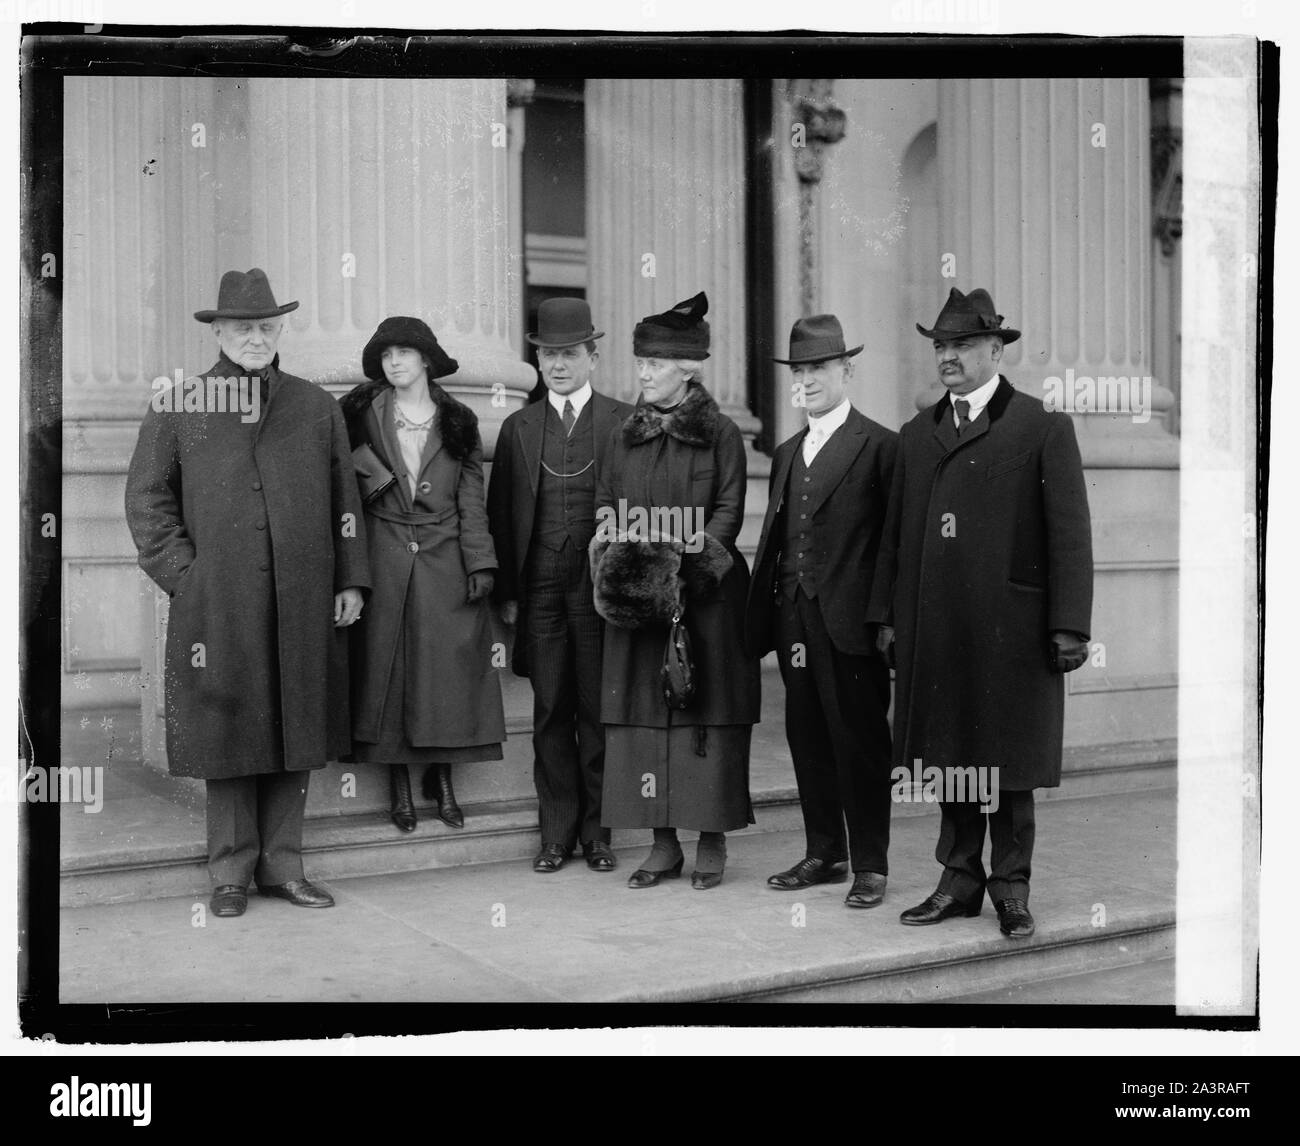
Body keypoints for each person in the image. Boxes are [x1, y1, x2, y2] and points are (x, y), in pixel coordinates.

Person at [125, 267, 369, 919]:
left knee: (297, 727)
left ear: (279, 328)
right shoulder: (179, 403)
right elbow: (147, 500)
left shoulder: (314, 406)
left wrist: (350, 577)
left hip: (303, 597)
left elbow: (346, 501)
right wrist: (188, 576)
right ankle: (230, 873)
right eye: (242, 327)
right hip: (220, 604)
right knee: (227, 731)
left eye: (265, 326)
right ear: (220, 332)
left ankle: (284, 866)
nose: (256, 337)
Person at [868, 287, 1094, 938]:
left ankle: (1011, 888)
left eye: (963, 345)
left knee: (1007, 762)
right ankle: (959, 879)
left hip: (1011, 630)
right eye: (940, 346)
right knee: (949, 754)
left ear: (997, 351)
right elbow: (894, 534)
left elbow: (1070, 535)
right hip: (935, 627)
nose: (948, 357)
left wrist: (1069, 625)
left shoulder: (1040, 426)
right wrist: (886, 615)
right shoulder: (918, 434)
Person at [591, 291, 760, 890]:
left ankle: (709, 841)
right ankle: (662, 846)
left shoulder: (721, 434)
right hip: (638, 600)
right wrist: (628, 565)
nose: (642, 375)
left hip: (705, 602)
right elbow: (606, 503)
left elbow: (729, 510)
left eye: (654, 365)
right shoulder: (622, 434)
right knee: (641, 721)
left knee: (703, 719)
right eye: (639, 364)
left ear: (687, 368)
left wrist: (687, 572)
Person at [745, 315, 898, 908]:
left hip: (851, 623)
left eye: (819, 368)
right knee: (805, 736)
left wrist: (885, 619)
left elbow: (892, 544)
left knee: (860, 742)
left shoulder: (881, 445)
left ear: (846, 370)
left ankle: (872, 865)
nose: (807, 379)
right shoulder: (786, 451)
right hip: (794, 620)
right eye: (799, 369)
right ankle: (825, 852)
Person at [340, 316, 506, 834]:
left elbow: (471, 498)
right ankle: (399, 786)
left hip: (445, 556)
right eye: (386, 355)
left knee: (446, 674)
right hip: (384, 555)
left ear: (426, 360)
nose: (394, 362)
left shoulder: (458, 419)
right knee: (384, 670)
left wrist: (480, 561)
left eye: (404, 354)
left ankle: (442, 778)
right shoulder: (360, 413)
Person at [486, 298, 634, 874]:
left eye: (570, 353)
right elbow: (502, 514)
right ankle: (556, 835)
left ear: (592, 357)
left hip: (598, 587)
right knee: (550, 710)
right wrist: (509, 593)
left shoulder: (622, 421)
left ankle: (599, 834)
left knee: (599, 710)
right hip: (540, 586)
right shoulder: (518, 427)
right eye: (548, 354)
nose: (558, 364)